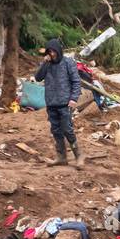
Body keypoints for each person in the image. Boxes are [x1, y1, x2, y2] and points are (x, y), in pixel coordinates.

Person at [34, 39, 83, 167]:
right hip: (51, 103)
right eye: (49, 51)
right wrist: (44, 63)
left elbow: (76, 82)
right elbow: (38, 77)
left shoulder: (68, 62)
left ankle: (79, 155)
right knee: (56, 130)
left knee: (67, 129)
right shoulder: (47, 64)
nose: (52, 54)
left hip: (65, 103)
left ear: (58, 50)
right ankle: (61, 157)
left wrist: (74, 99)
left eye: (53, 51)